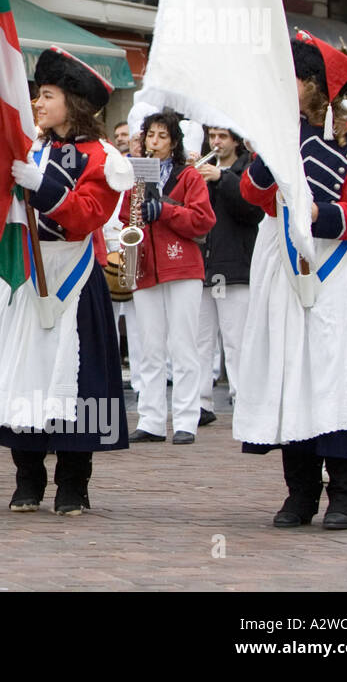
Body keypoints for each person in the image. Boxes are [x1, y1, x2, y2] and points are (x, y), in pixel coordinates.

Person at [0, 46, 132, 515]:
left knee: (77, 384)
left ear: (73, 102)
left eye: (47, 95)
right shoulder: (32, 149)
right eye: (37, 96)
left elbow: (86, 216)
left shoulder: (102, 157)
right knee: (25, 377)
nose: (37, 104)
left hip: (72, 279)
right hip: (26, 274)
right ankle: (28, 477)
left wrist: (41, 186)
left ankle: (74, 484)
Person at [236, 31, 347, 530]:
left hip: (331, 269)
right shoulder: (281, 133)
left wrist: (317, 213)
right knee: (289, 375)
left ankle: (343, 496)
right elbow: (252, 195)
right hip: (282, 262)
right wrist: (267, 154)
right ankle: (299, 493)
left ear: (318, 86)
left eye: (296, 77)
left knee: (331, 378)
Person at [121, 111, 216, 444]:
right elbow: (124, 216)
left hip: (182, 266)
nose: (155, 142)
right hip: (145, 265)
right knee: (149, 347)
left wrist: (165, 210)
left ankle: (187, 420)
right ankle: (151, 419)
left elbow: (203, 220)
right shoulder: (137, 174)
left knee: (183, 345)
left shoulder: (189, 176)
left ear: (174, 142)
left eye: (162, 136)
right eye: (151, 136)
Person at [196, 126, 263, 419]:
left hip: (235, 266)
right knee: (199, 341)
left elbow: (252, 210)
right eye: (212, 136)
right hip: (203, 265)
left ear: (236, 140)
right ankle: (200, 402)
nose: (216, 142)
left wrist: (223, 178)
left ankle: (243, 399)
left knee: (236, 340)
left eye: (222, 136)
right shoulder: (201, 170)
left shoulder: (246, 170)